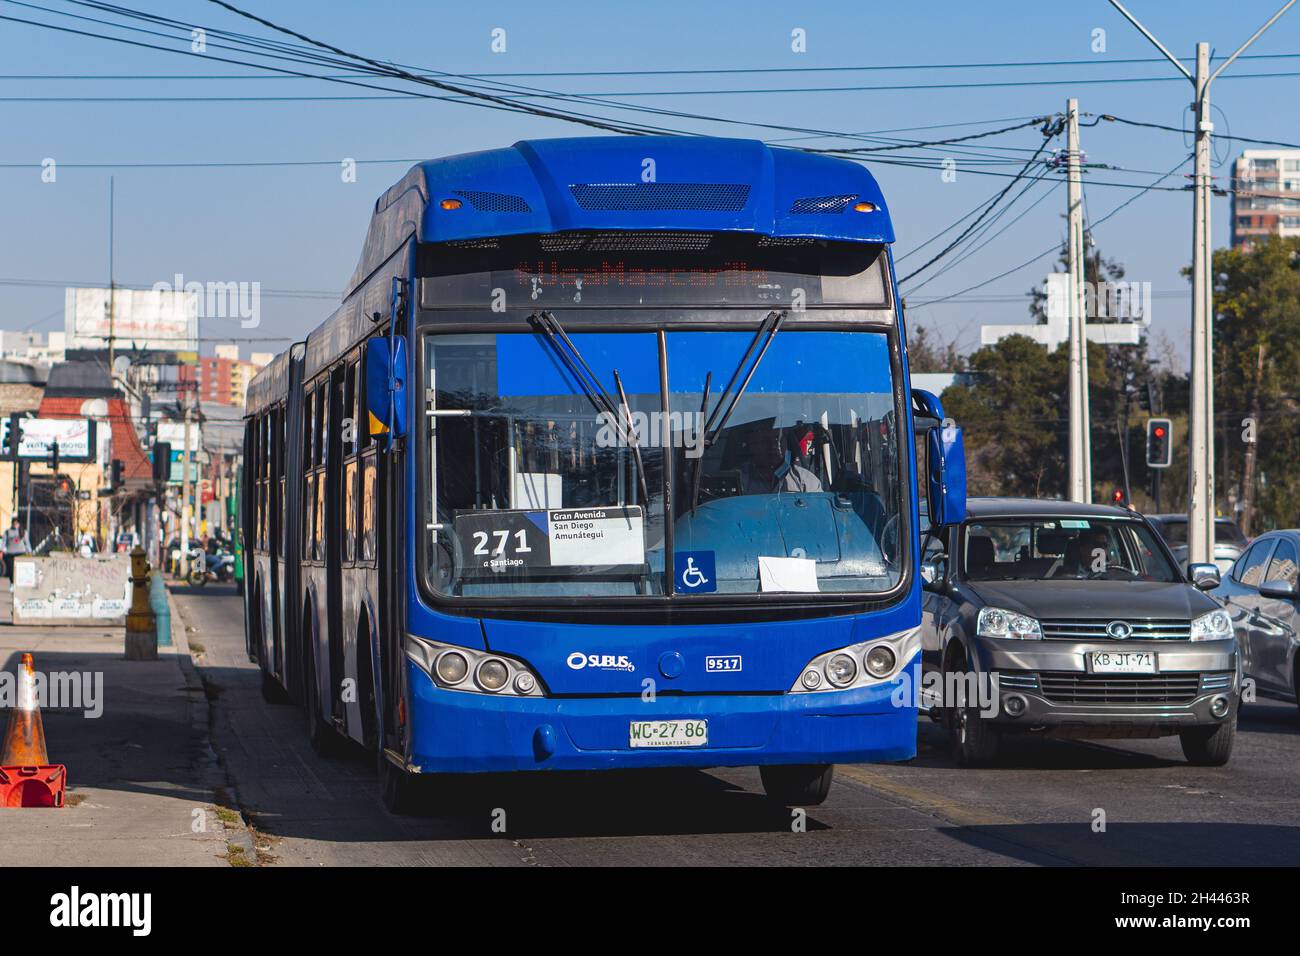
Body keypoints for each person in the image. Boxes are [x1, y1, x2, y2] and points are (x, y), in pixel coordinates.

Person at [738, 425, 823, 495]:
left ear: (786, 443)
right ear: (753, 446)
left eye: (777, 440)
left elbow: (819, 512)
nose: (773, 446)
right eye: (764, 441)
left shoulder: (806, 481)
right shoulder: (739, 480)